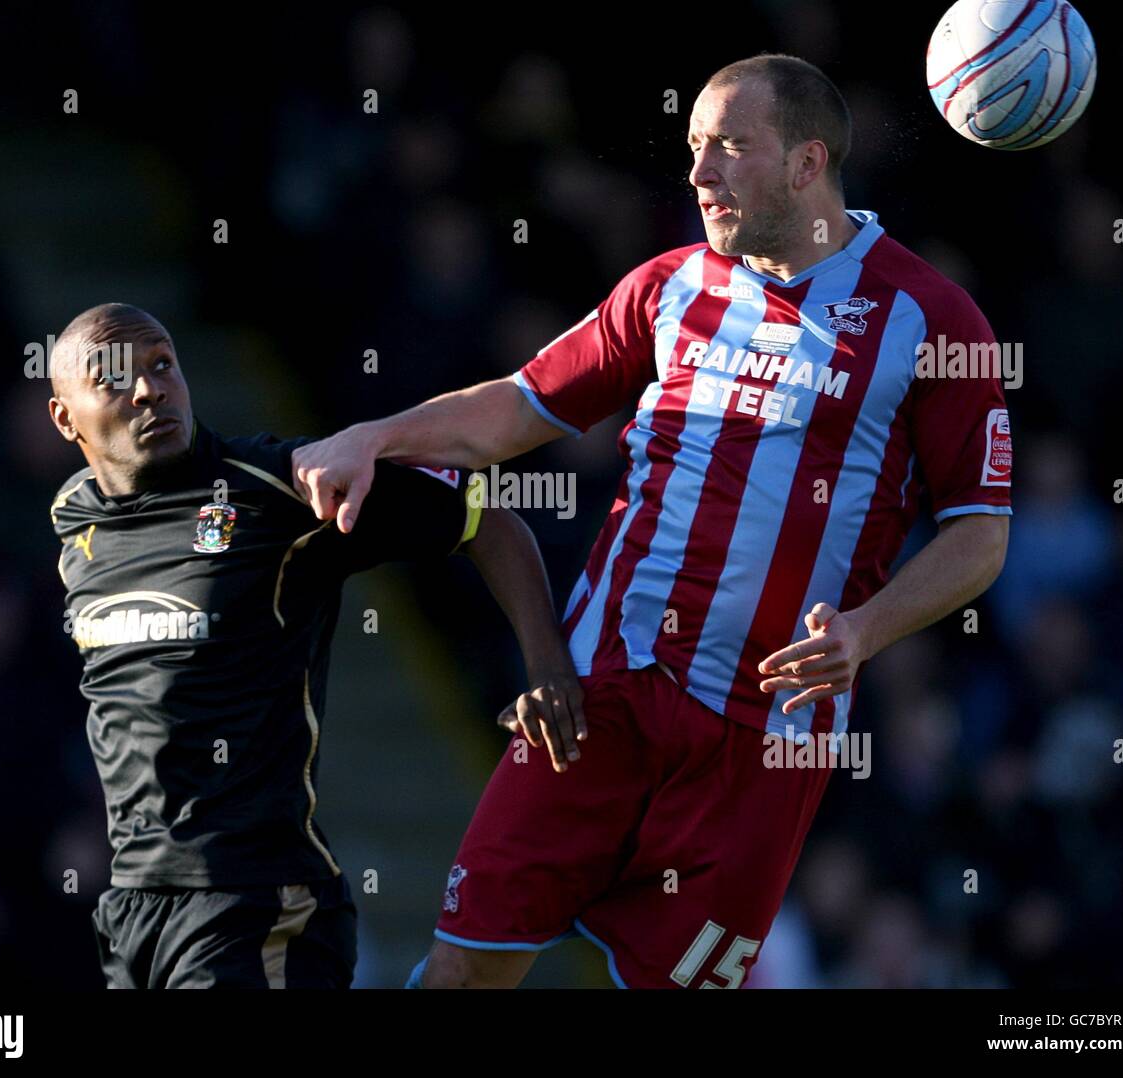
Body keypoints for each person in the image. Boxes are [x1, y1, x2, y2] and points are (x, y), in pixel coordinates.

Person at [292, 54, 1012, 989]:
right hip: (597, 699)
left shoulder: (933, 320)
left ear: (806, 163)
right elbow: (518, 406)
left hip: (763, 740)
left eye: (728, 148)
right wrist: (376, 435)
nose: (699, 173)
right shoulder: (671, 287)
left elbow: (980, 534)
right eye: (693, 148)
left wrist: (867, 633)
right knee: (464, 971)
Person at [47, 302, 581, 988]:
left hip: (256, 901)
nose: (149, 389)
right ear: (66, 418)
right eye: (115, 377)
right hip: (134, 907)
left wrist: (545, 666)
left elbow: (485, 515)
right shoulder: (74, 518)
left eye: (162, 366)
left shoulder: (280, 488)